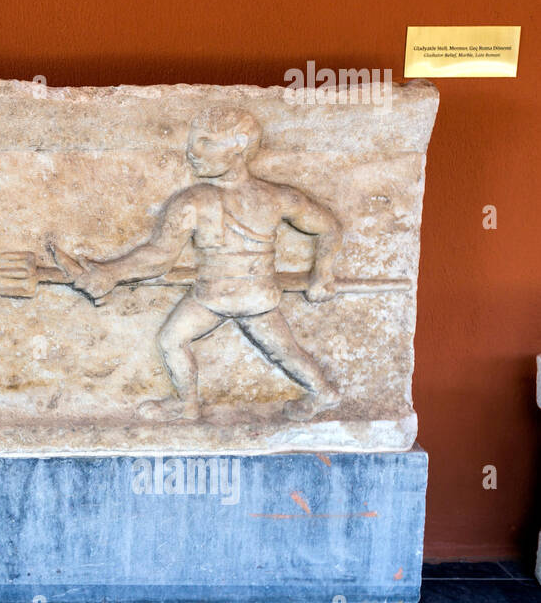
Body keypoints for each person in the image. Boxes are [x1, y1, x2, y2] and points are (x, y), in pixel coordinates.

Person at [57, 106, 342, 422]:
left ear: (239, 144)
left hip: (222, 298)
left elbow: (159, 257)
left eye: (205, 142)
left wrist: (112, 272)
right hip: (248, 298)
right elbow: (329, 226)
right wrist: (322, 274)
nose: (191, 152)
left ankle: (187, 403)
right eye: (192, 141)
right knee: (284, 352)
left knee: (172, 341)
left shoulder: (197, 201)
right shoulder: (275, 196)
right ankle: (322, 391)